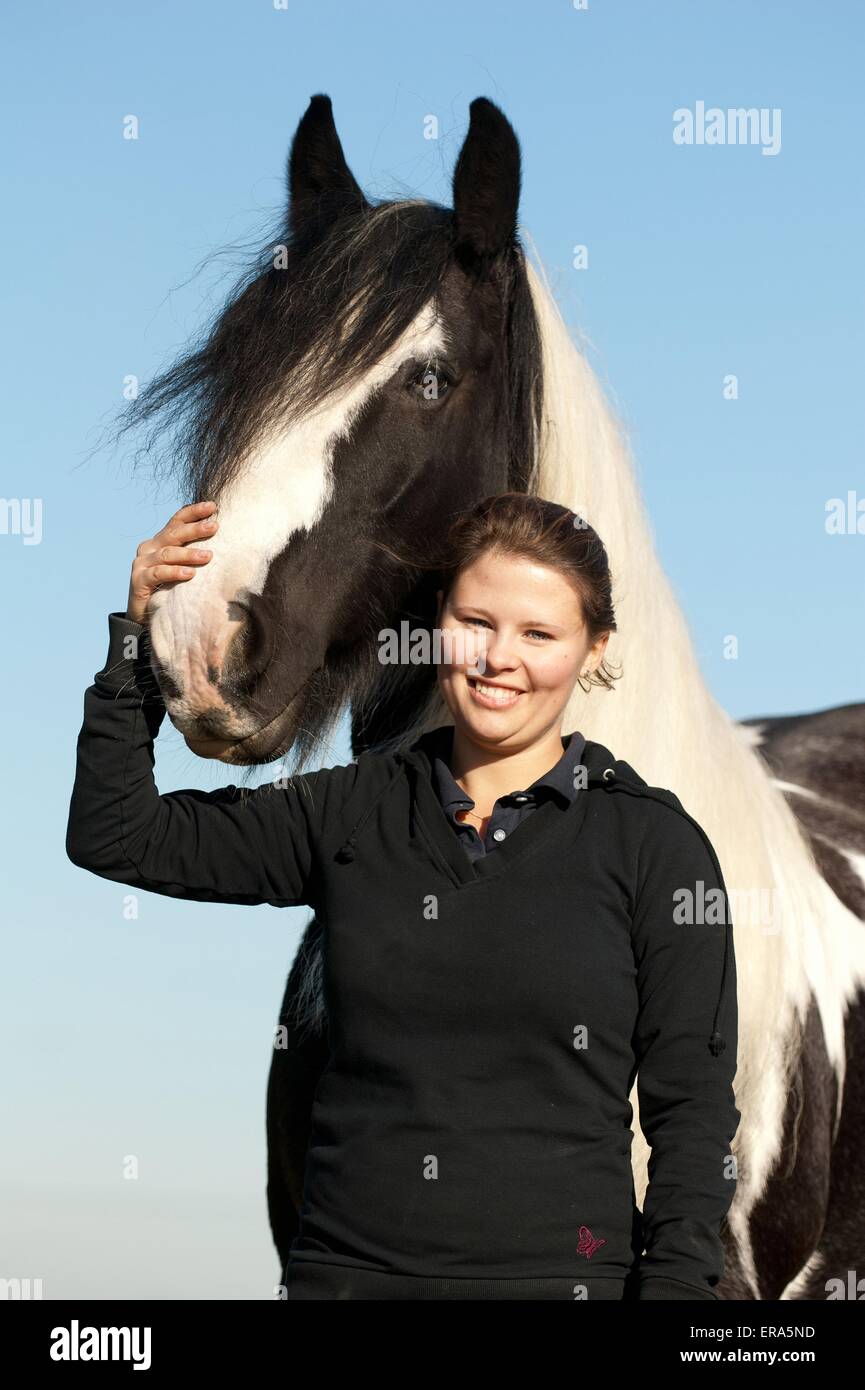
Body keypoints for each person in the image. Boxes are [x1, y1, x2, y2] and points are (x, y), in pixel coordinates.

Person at [66, 491, 739, 1302]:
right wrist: (141, 639)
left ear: (594, 648)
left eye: (538, 634)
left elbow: (692, 1120)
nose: (498, 658)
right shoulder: (351, 808)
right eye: (476, 623)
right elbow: (118, 833)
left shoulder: (656, 850)